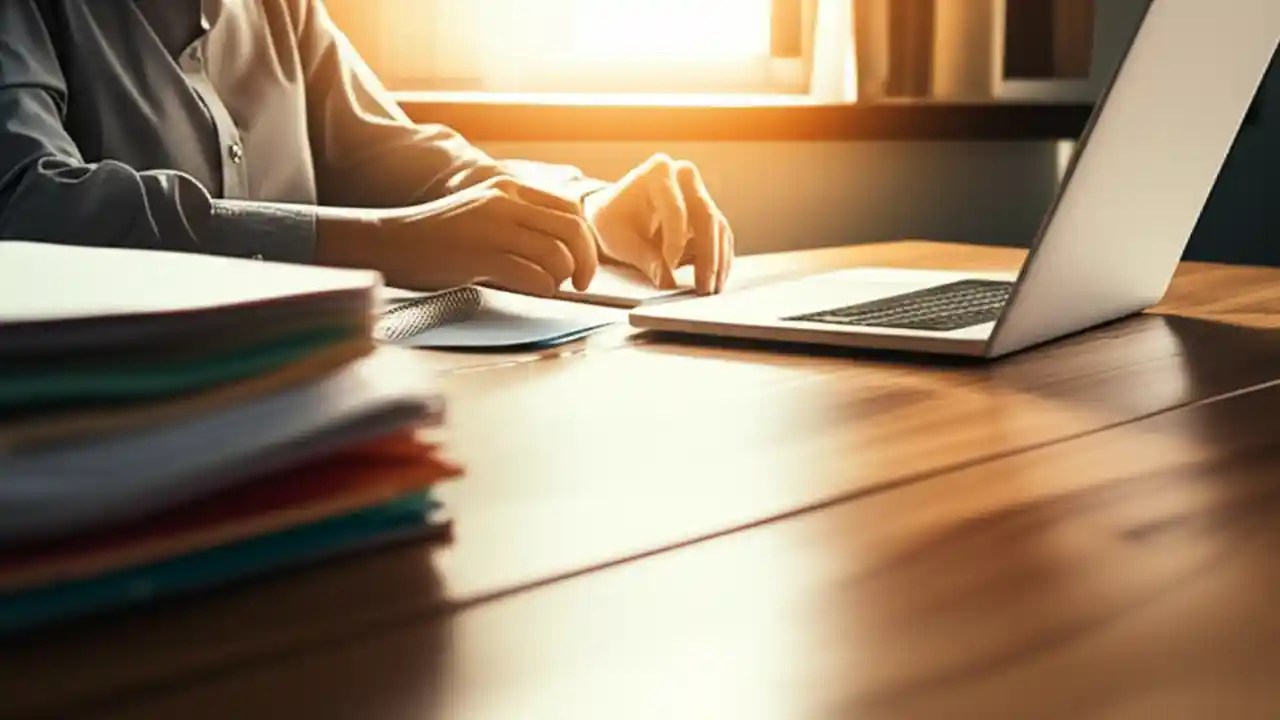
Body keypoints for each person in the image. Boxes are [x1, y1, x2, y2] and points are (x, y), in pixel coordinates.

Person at [0, 0, 735, 296]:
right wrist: (376, 245)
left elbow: (403, 160)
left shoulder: (280, 9)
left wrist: (586, 207)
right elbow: (27, 202)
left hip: (308, 414)